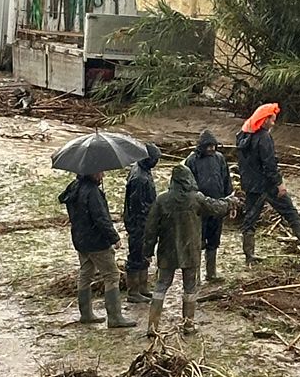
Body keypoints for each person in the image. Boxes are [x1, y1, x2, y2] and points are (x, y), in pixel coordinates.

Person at [143, 160, 236, 336]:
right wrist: (230, 202)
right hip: (190, 250)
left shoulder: (162, 199)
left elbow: (150, 229)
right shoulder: (196, 198)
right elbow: (216, 207)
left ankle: (152, 327)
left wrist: (147, 252)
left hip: (167, 250)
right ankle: (188, 325)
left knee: (161, 286)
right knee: (190, 287)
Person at [235, 101, 300, 265]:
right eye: (272, 119)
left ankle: (249, 256)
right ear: (264, 120)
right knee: (291, 213)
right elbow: (269, 164)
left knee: (249, 220)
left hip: (251, 185)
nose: (274, 122)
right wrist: (279, 184)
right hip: (268, 185)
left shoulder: (242, 136)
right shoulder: (264, 137)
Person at [60, 169, 133, 329]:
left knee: (85, 274)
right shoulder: (93, 193)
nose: (102, 175)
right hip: (96, 242)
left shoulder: (73, 187)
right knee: (112, 275)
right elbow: (101, 219)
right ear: (91, 173)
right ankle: (115, 317)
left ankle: (86, 314)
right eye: (99, 172)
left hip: (80, 240)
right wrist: (114, 237)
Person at [187, 128, 232, 284]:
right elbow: (188, 185)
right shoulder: (191, 160)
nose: (211, 149)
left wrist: (228, 202)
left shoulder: (219, 159)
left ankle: (211, 273)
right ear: (202, 146)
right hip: (199, 208)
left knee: (214, 241)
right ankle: (196, 276)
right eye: (208, 146)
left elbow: (226, 180)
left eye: (213, 145)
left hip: (218, 206)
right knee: (198, 242)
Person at [123, 142, 161, 300]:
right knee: (137, 255)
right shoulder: (140, 177)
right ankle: (133, 291)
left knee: (145, 253)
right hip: (139, 223)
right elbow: (139, 205)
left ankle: (143, 286)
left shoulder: (142, 170)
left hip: (143, 221)